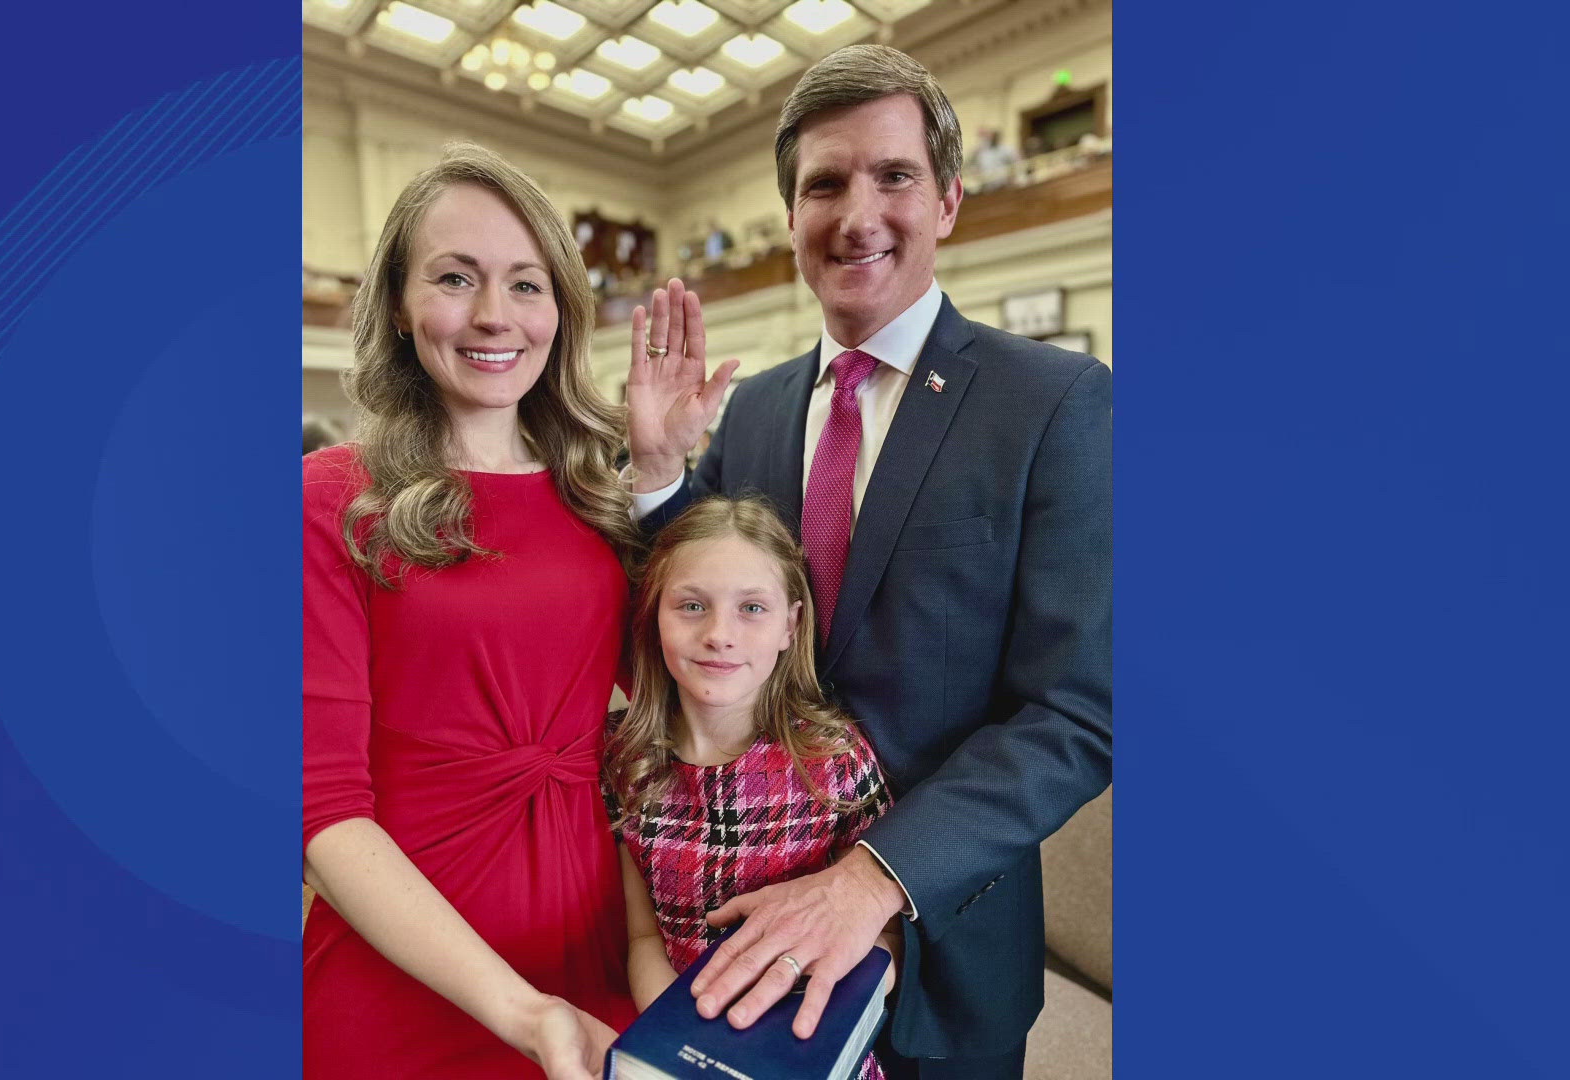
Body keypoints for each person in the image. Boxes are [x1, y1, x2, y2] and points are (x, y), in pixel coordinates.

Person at [624, 45, 1113, 1080]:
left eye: (893, 176)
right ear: (792, 214)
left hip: (948, 940)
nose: (857, 215)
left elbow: (1078, 712)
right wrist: (660, 474)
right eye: (825, 184)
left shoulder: (1056, 404)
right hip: (749, 933)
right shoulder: (750, 409)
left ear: (947, 200)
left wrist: (874, 877)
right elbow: (705, 603)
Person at [302, 144, 640, 1079]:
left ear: (560, 312)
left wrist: (660, 475)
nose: (495, 315)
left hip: (593, 945)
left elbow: (678, 697)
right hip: (413, 969)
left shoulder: (596, 500)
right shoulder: (329, 499)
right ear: (402, 311)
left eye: (527, 284)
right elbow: (322, 814)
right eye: (456, 277)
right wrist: (521, 1013)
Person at [602, 496, 899, 1080]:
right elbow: (642, 935)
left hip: (804, 1048)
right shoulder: (625, 762)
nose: (719, 634)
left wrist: (809, 1031)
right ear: (653, 614)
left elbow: (885, 936)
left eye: (752, 609)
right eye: (691, 606)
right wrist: (676, 1047)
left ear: (791, 625)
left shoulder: (833, 758)